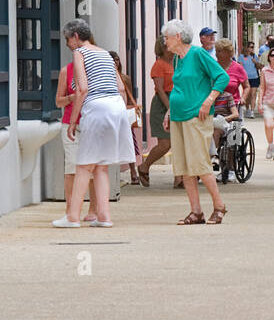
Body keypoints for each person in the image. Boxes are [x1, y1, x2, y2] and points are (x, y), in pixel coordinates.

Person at [53, 19, 134, 228]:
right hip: (116, 107)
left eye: (68, 39)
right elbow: (121, 87)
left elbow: (82, 88)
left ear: (76, 37)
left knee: (83, 166)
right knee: (101, 167)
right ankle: (104, 216)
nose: (68, 44)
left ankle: (72, 217)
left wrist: (73, 120)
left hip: (97, 108)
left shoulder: (80, 53)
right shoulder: (105, 53)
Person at [160, 19, 231, 225]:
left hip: (196, 116)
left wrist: (209, 101)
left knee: (200, 164)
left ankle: (219, 206)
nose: (165, 42)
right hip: (179, 116)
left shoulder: (198, 54)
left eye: (167, 37)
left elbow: (221, 77)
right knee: (184, 167)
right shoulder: (177, 59)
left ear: (178, 37)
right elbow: (178, 88)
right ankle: (196, 211)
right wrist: (169, 111)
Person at [54, 52, 97, 221]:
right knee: (71, 167)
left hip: (91, 123)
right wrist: (71, 98)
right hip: (70, 124)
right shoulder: (67, 71)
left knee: (93, 168)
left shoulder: (95, 72)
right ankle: (70, 210)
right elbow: (58, 101)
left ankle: (93, 209)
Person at [139, 37, 180, 188]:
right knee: (165, 144)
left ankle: (179, 178)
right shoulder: (159, 65)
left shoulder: (178, 62)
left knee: (180, 143)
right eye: (168, 46)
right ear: (162, 48)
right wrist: (169, 107)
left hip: (178, 101)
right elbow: (160, 90)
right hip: (163, 105)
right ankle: (144, 166)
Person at [212, 38, 249, 182]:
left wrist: (243, 98)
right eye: (216, 50)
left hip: (233, 105)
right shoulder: (213, 66)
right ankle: (217, 162)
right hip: (216, 105)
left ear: (228, 53)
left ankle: (232, 168)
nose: (216, 53)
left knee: (233, 136)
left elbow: (246, 86)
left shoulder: (237, 67)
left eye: (219, 51)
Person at [108, 51, 143, 188]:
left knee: (129, 142)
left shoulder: (125, 78)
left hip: (124, 113)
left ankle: (133, 171)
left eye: (117, 60)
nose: (115, 62)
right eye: (112, 60)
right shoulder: (105, 77)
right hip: (110, 113)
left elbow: (129, 96)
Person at [241, 40, 260, 117]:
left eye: (253, 47)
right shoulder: (242, 56)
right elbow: (241, 67)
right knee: (248, 95)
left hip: (254, 77)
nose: (252, 49)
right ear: (247, 48)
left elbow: (259, 67)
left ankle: (252, 111)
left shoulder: (254, 56)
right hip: (246, 78)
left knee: (253, 94)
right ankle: (247, 109)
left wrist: (255, 62)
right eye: (251, 47)